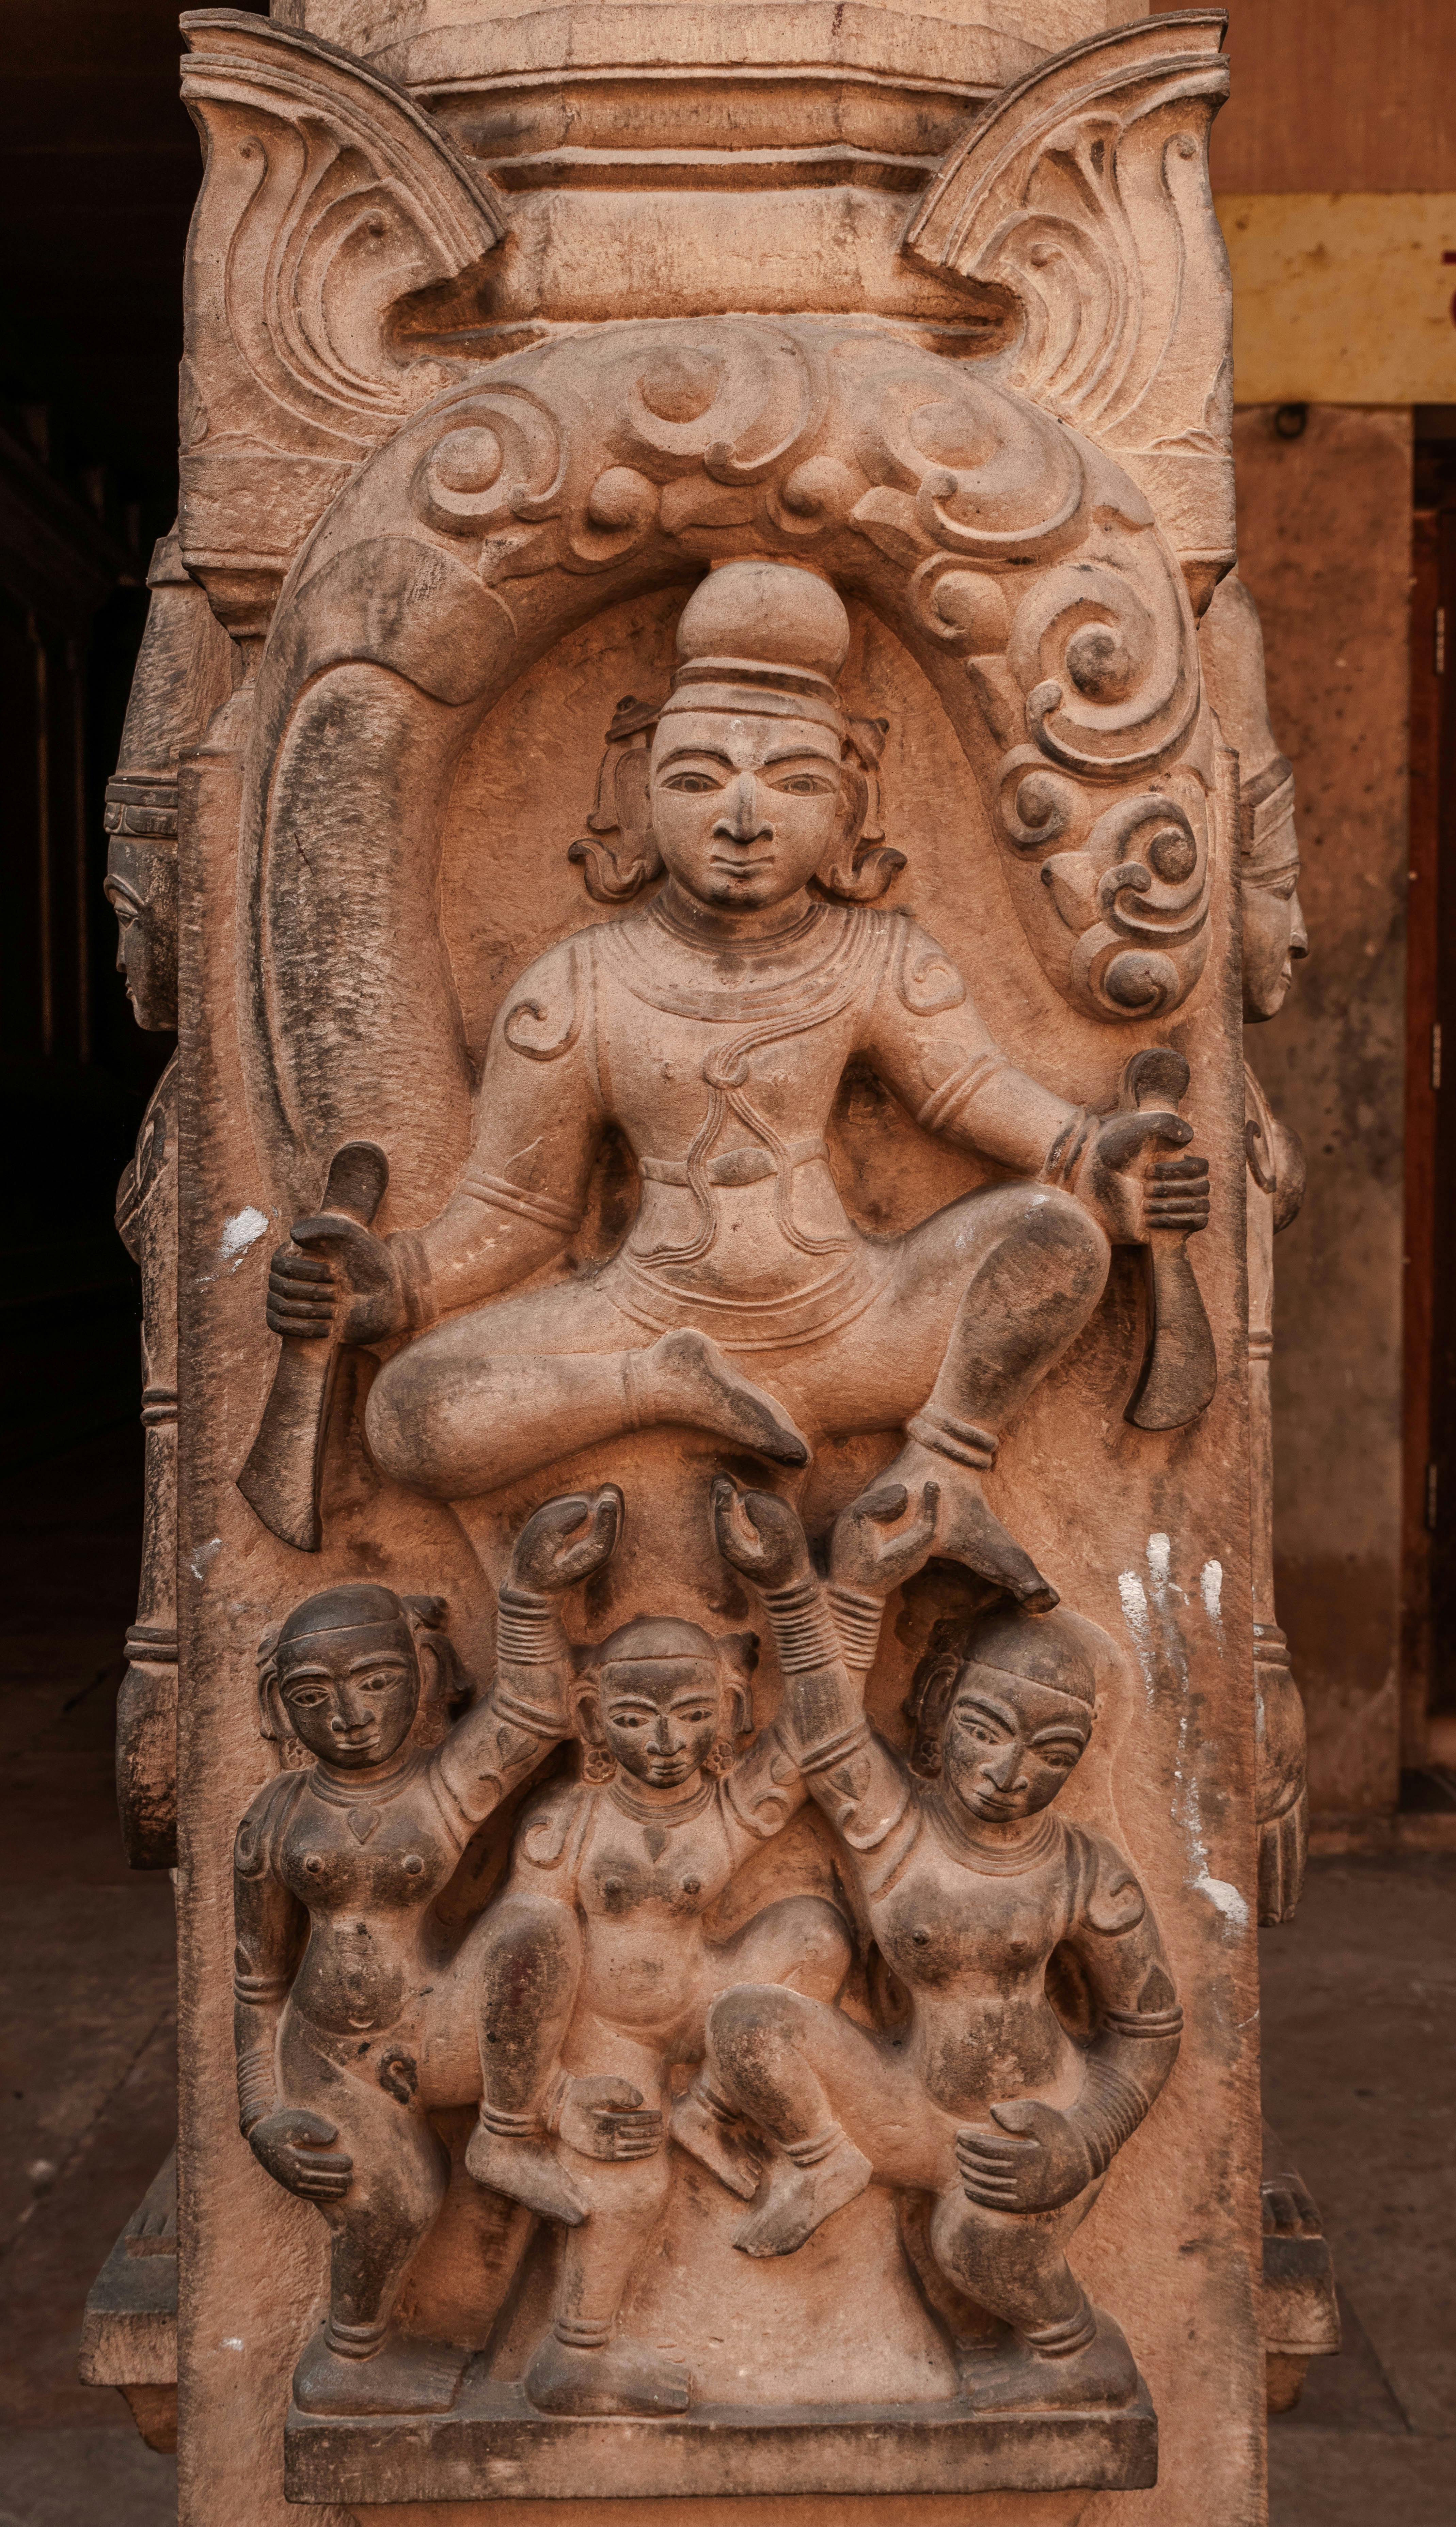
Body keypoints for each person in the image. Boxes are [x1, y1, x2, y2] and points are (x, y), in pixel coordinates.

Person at [264, 559, 1209, 1611]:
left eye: (795, 784)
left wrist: (1096, 1159)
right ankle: (661, 1388)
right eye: (696, 780)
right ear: (636, 791)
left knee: (1055, 1235)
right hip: (647, 1314)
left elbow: (970, 1094)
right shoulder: (577, 987)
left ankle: (943, 1463)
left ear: (849, 808)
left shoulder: (879, 958)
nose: (744, 818)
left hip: (851, 1321)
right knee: (408, 1413)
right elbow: (521, 1208)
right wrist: (394, 1283)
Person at [679, 1480, 1182, 2416]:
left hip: (1022, 2130)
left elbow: (1147, 2024)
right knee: (747, 2022)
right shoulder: (896, 1834)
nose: (1009, 1773)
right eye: (985, 1731)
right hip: (907, 2105)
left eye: (1051, 1752)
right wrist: (800, 1585)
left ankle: (1073, 2349)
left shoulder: (1081, 1869)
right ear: (941, 1707)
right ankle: (821, 2158)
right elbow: (827, 1730)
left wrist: (1081, 2139)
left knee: (973, 2249)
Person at [231, 1487, 620, 2415]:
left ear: (422, 1672)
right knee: (397, 2196)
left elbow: (531, 1712)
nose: (350, 1716)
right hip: (331, 2055)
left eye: (375, 1682)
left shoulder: (436, 1791)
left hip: (435, 2022)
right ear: (280, 1706)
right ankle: (348, 2360)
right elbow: (257, 1981)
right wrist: (262, 2114)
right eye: (314, 1696)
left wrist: (528, 1593)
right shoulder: (277, 1817)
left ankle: (508, 2132)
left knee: (535, 1926)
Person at [464, 1595, 855, 2417]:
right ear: (590, 1718)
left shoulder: (728, 1808)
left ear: (731, 1709)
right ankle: (577, 2352)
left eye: (692, 1715)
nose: (667, 1742)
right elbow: (519, 1967)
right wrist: (551, 2096)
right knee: (628, 2182)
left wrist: (815, 1591)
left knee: (813, 1937)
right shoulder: (567, 1824)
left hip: (697, 1996)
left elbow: (816, 1723)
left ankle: (708, 2109)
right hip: (607, 2028)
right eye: (635, 1718)